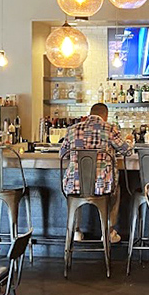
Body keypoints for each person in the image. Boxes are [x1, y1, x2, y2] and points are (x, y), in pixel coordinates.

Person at [60, 103, 133, 244]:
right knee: (116, 189)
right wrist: (129, 141)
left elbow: (63, 154)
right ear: (105, 116)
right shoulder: (109, 129)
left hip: (74, 185)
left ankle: (76, 231)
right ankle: (109, 231)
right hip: (103, 187)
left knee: (77, 191)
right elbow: (127, 151)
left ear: (89, 113)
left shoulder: (72, 129)